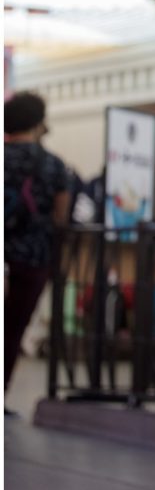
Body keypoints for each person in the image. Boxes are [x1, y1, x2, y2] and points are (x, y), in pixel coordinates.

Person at [4, 92, 74, 404]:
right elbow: (61, 214)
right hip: (31, 259)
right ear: (37, 122)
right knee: (12, 330)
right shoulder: (53, 165)